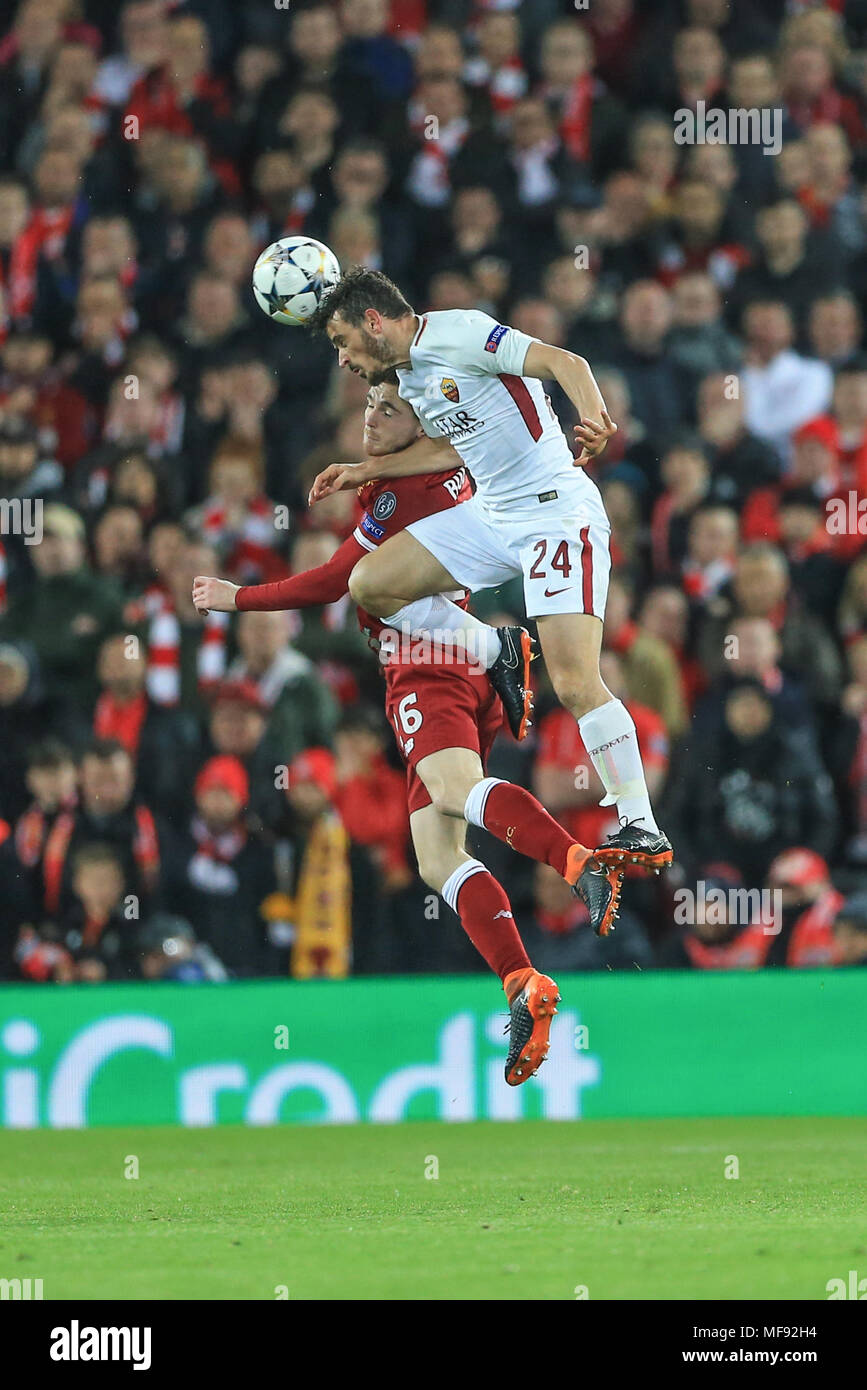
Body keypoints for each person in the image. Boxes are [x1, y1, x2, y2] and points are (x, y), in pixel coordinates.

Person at [193, 376, 625, 1085]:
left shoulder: (401, 497)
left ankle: (576, 859)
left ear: (420, 425)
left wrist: (240, 598)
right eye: (368, 404)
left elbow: (337, 578)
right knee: (436, 855)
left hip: (426, 668)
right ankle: (522, 982)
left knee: (455, 792)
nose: (371, 417)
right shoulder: (438, 477)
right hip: (450, 662)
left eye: (389, 409)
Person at [306, 267, 672, 879]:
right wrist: (363, 470)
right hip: (492, 514)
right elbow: (454, 448)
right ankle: (495, 647)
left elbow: (566, 362)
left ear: (374, 322)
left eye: (343, 341)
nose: (342, 359)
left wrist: (595, 420)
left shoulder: (460, 333)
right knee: (370, 584)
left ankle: (642, 823)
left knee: (577, 683)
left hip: (553, 512)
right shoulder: (413, 375)